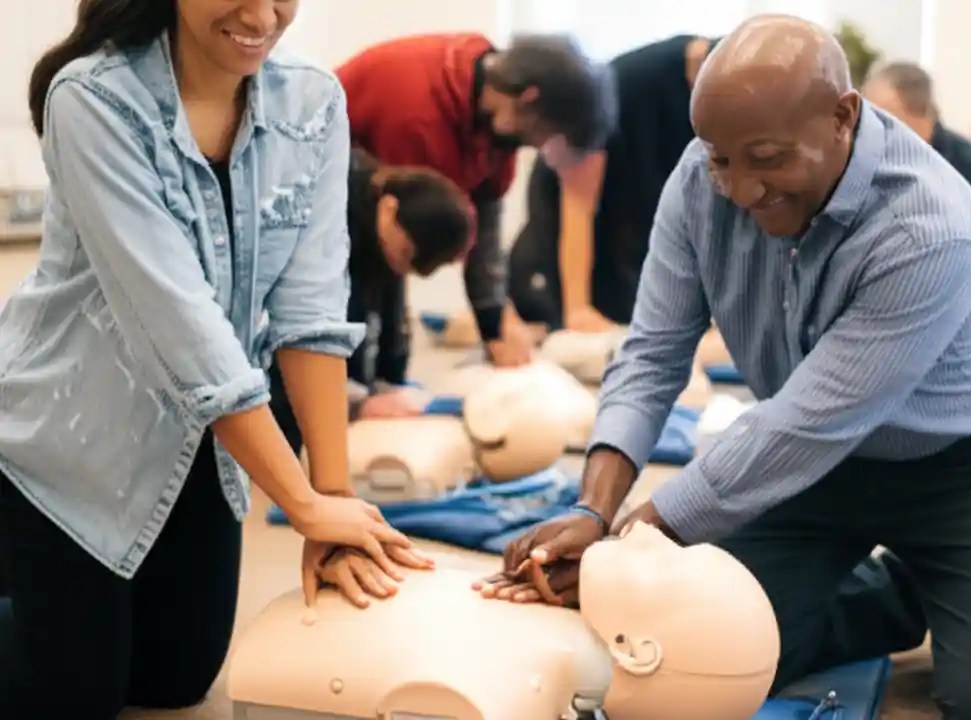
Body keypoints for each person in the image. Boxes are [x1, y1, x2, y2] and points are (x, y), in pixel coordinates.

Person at [477, 14, 971, 720]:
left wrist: (629, 545)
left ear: (843, 118)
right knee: (698, 651)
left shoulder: (929, 227)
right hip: (808, 476)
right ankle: (893, 600)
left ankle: (957, 593)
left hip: (954, 468)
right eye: (722, 158)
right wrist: (592, 508)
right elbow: (654, 351)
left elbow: (808, 422)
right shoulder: (701, 175)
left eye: (769, 158)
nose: (742, 188)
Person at [0, 1, 430, 716]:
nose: (262, 15)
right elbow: (183, 331)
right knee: (72, 697)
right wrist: (298, 504)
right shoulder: (94, 100)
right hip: (65, 449)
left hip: (199, 442)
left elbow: (312, 313)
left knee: (176, 681)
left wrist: (333, 500)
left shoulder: (313, 102)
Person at [336, 32, 614, 364]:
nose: (541, 148)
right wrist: (385, 375)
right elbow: (390, 250)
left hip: (376, 226)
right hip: (337, 221)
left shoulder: (495, 112)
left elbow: (484, 228)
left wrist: (495, 326)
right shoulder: (419, 113)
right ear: (529, 99)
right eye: (548, 135)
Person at [268, 147, 476, 452]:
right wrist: (355, 404)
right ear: (390, 208)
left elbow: (390, 324)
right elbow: (290, 338)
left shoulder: (384, 239)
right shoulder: (323, 219)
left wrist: (388, 384)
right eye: (403, 253)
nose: (397, 266)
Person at [507, 35, 715, 332]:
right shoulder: (628, 86)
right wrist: (577, 308)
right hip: (574, 186)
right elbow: (578, 203)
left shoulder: (722, 105)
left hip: (629, 194)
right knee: (571, 317)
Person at [862, 61, 971, 308]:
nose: (865, 124)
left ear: (919, 111)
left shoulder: (969, 166)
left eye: (877, 113)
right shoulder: (870, 158)